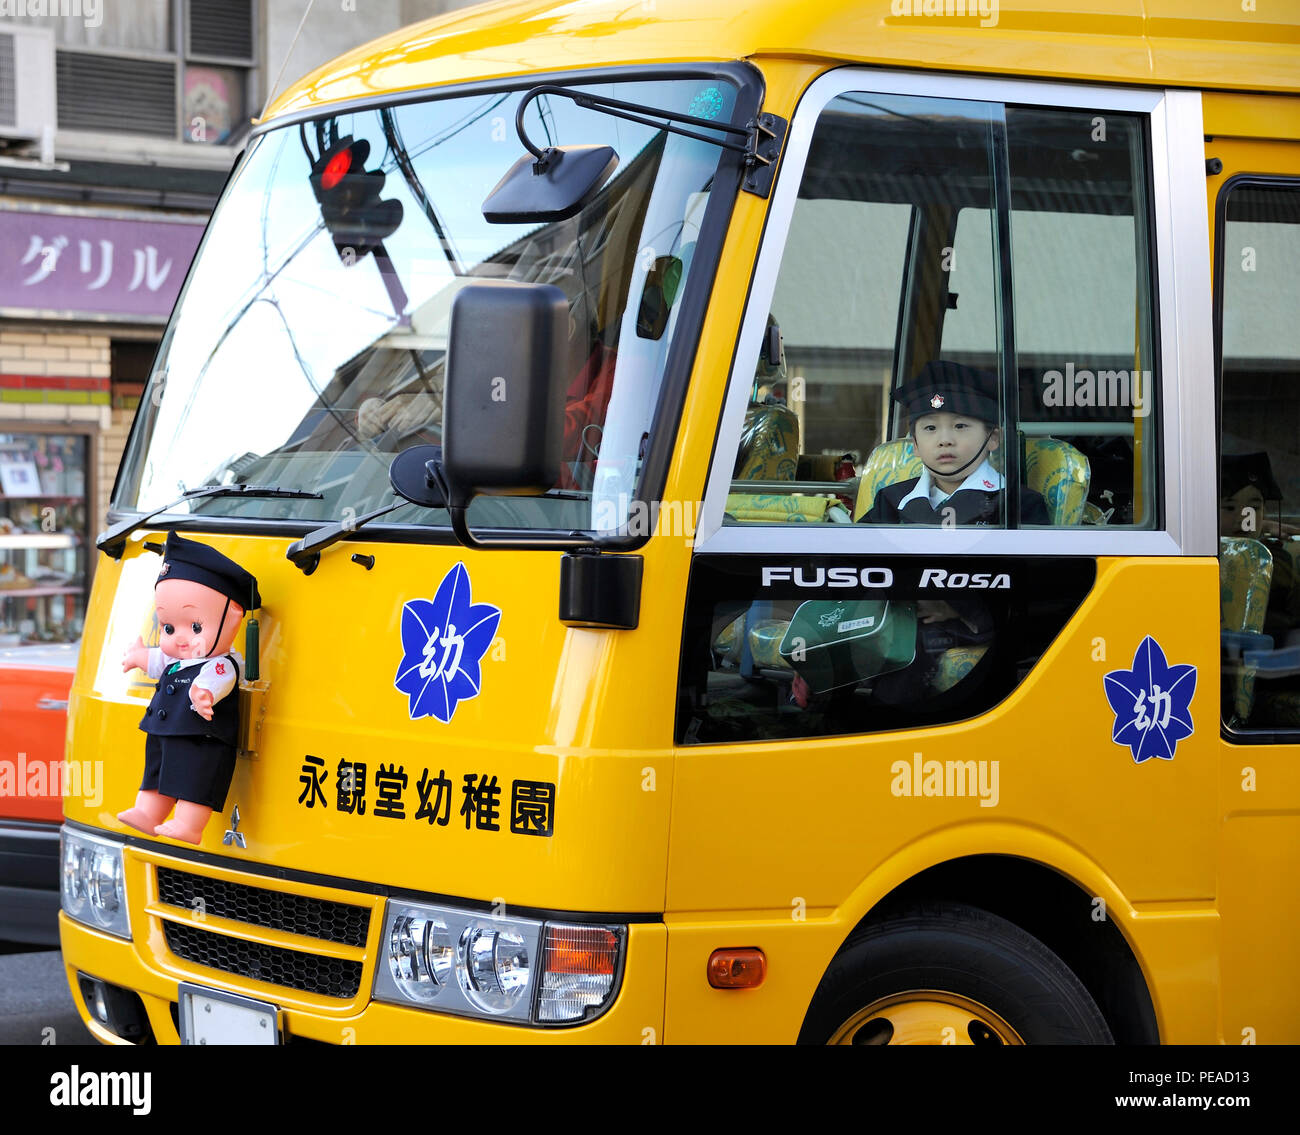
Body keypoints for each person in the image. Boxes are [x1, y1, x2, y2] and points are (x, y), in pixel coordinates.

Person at [118, 532, 260, 845]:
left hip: (199, 737)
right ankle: (148, 813)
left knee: (192, 777)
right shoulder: (176, 657)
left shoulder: (222, 663)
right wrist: (138, 657)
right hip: (164, 731)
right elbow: (158, 660)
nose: (180, 637)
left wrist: (204, 694)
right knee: (156, 772)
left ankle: (187, 824)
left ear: (233, 618)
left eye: (195, 627)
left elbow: (216, 680)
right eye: (168, 627)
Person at [861, 360, 1049, 526]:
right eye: (930, 428)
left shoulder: (1018, 504)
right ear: (915, 445)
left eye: (960, 426)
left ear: (992, 439)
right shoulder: (891, 499)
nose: (944, 441)